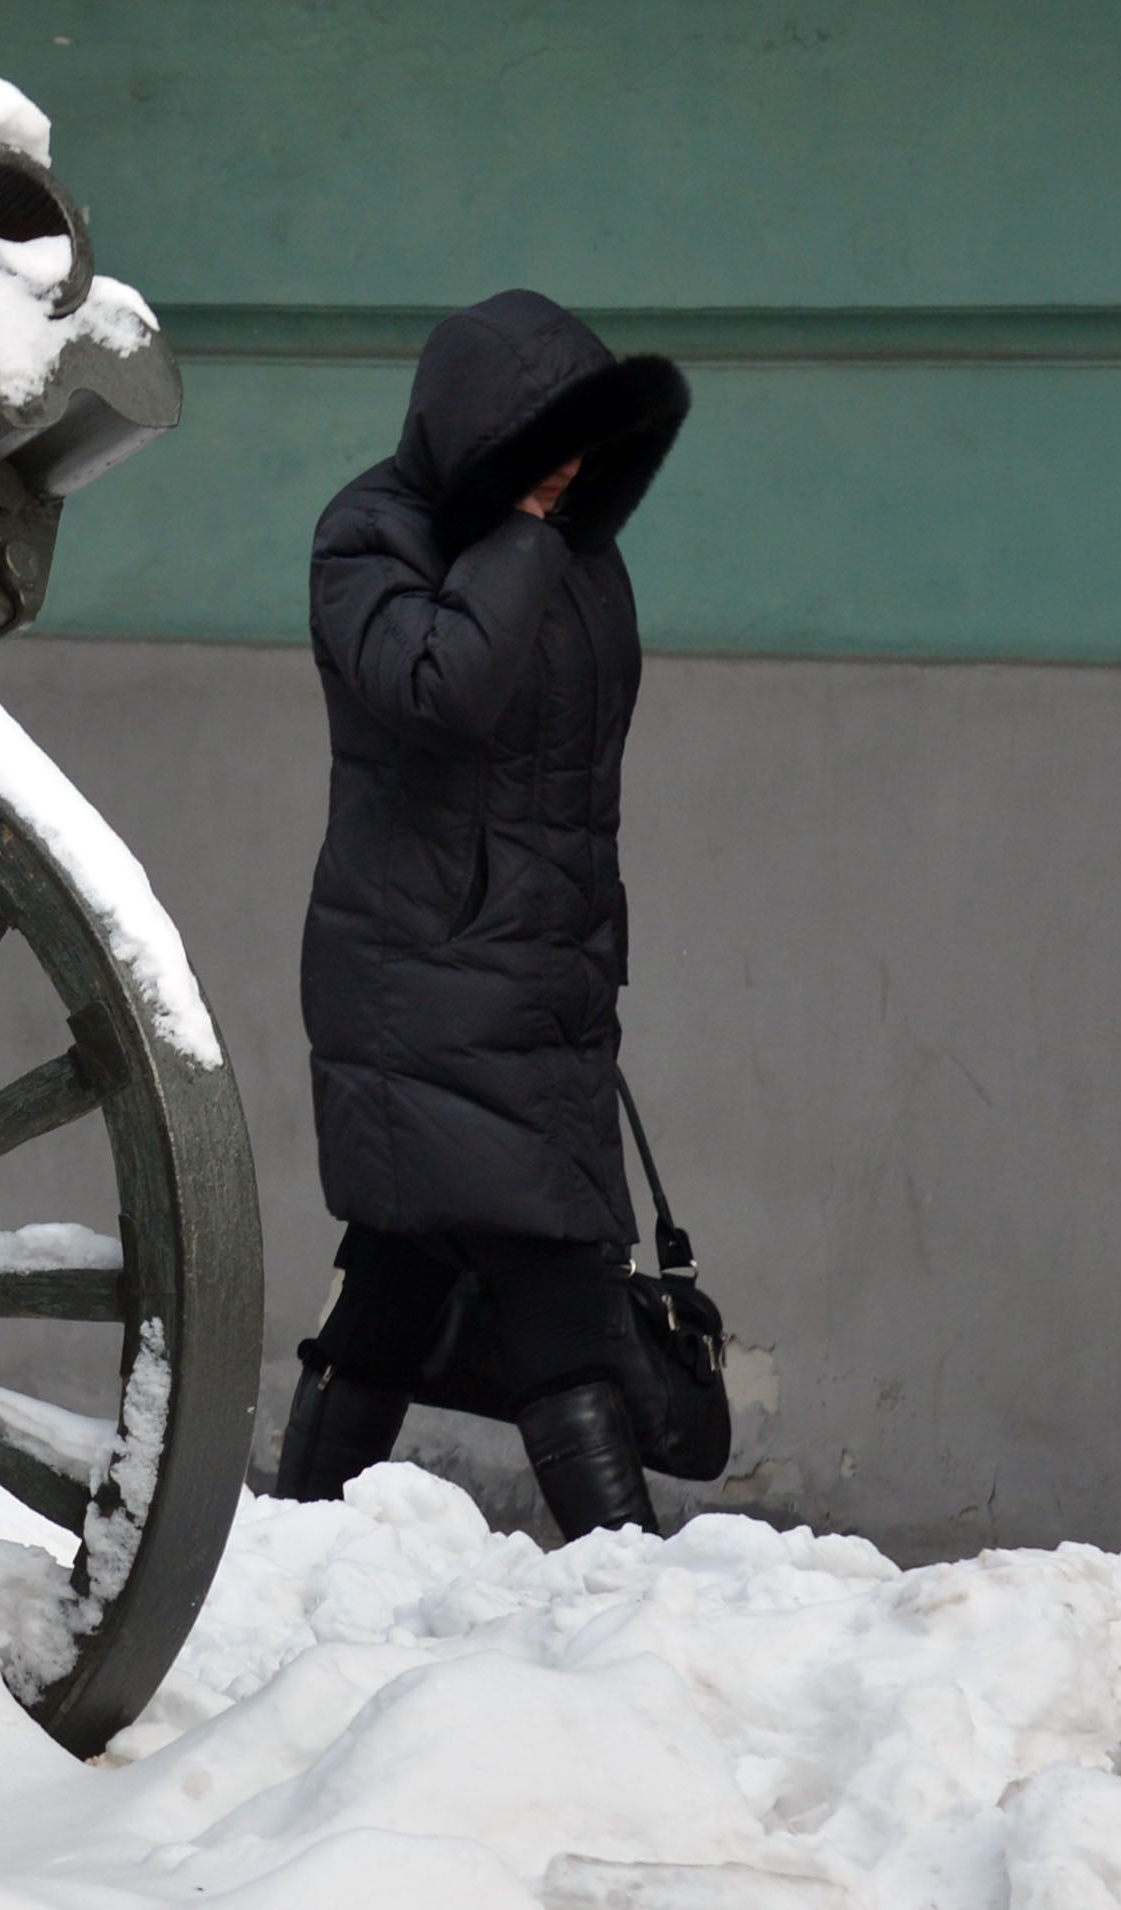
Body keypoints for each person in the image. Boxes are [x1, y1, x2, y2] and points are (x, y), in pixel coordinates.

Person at [279, 289, 691, 1539]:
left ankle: (282, 1543)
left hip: (539, 966)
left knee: (406, 1271)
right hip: (427, 966)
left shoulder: (573, 552)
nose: (569, 472)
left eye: (583, 448)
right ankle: (633, 1585)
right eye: (542, 446)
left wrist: (542, 528)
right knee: (556, 1278)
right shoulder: (371, 536)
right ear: (484, 437)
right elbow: (439, 687)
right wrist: (518, 529)